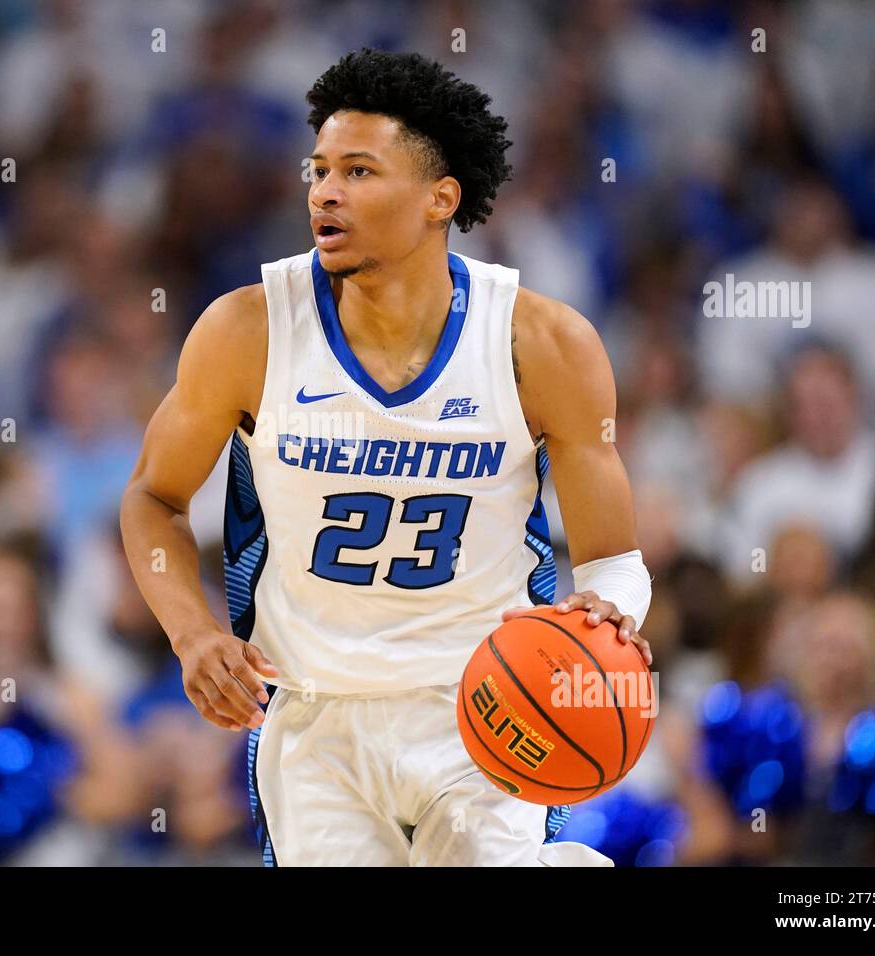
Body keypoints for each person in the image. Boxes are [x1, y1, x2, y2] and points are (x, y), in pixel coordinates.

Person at [120, 49, 652, 867]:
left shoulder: (541, 344)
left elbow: (615, 560)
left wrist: (610, 610)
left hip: (484, 705)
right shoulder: (246, 330)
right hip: (312, 714)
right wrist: (192, 635)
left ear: (441, 199)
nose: (325, 192)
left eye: (359, 172)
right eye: (320, 170)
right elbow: (153, 498)